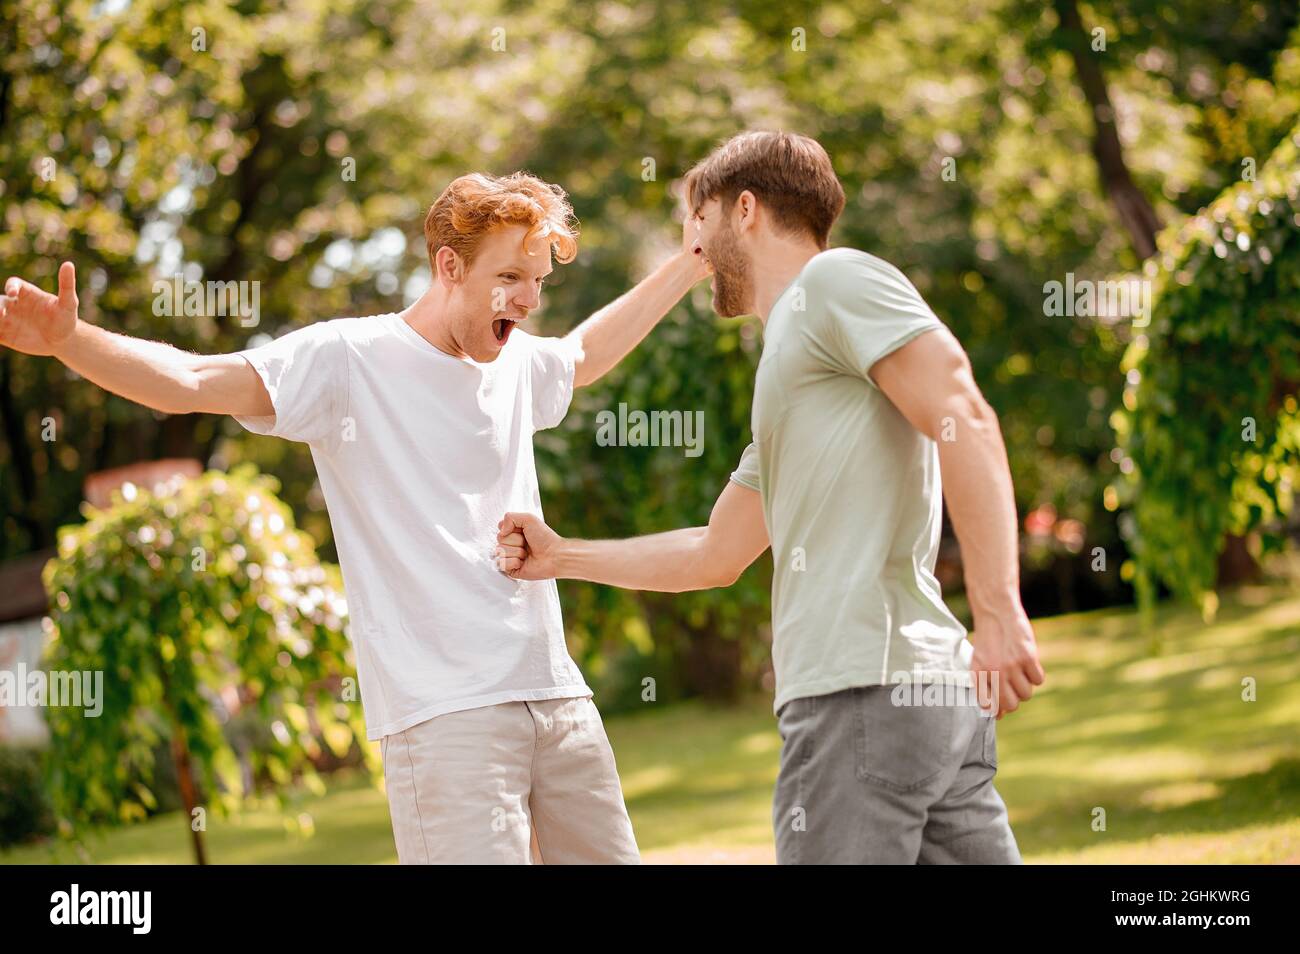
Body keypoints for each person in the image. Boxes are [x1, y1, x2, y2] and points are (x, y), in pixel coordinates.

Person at [1, 171, 708, 864]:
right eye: (509, 279)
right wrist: (71, 340)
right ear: (450, 265)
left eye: (538, 283)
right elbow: (191, 383)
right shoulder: (347, 360)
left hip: (556, 695)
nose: (527, 301)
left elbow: (583, 355)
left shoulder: (514, 362)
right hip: (445, 716)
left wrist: (687, 264)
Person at [495, 132, 1046, 864]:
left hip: (858, 695)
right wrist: (562, 556)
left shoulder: (833, 282)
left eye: (700, 216)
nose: (692, 242)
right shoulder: (796, 366)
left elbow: (964, 416)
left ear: (744, 209)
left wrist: (1000, 609)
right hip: (919, 701)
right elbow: (716, 552)